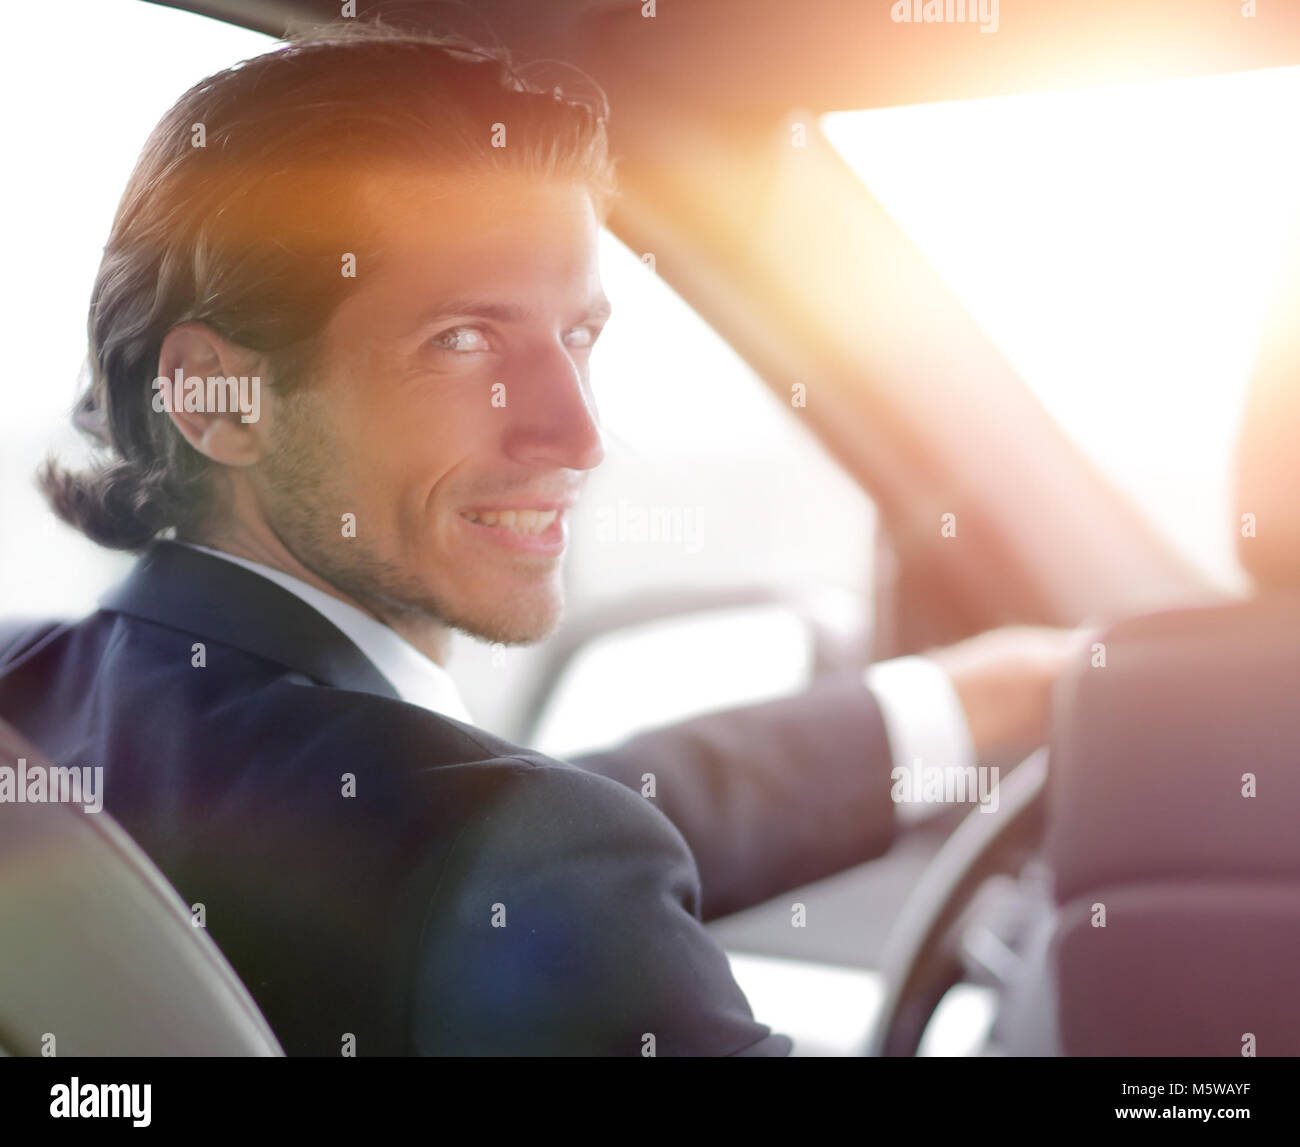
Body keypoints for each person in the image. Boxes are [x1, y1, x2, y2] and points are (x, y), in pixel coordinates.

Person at [0, 24, 1079, 1055]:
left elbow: (480, 822)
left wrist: (966, 701)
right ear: (218, 398)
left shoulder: (32, 707)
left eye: (576, 336)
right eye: (461, 340)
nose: (577, 434)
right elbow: (510, 847)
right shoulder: (522, 856)